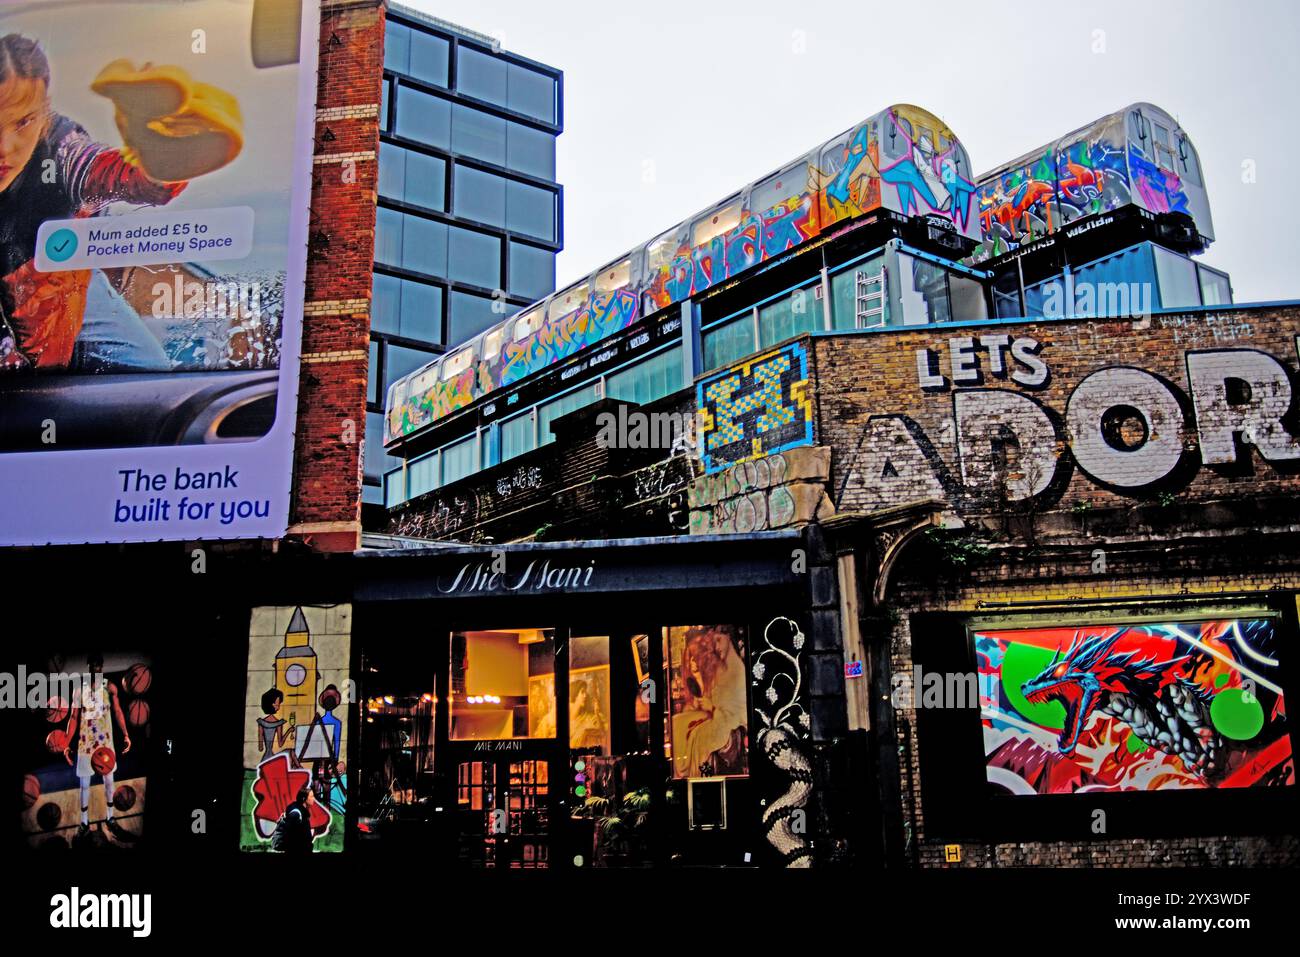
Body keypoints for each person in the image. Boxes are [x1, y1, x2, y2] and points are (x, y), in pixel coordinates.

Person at [0, 33, 241, 372]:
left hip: (61, 289)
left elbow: (118, 176)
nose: (4, 147)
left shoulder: (62, 149)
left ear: (44, 110)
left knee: (151, 374)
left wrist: (162, 160)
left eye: (23, 122)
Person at [63, 651, 131, 838]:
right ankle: (84, 823)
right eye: (92, 664)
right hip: (85, 746)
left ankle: (110, 819)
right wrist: (67, 742)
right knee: (84, 786)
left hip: (106, 746)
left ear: (102, 667)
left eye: (98, 664)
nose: (95, 667)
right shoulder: (79, 689)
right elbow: (74, 717)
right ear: (88, 667)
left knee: (109, 783)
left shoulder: (109, 687)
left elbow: (117, 712)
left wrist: (125, 734)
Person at [256, 688, 295, 762]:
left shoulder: (261, 722)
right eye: (278, 703)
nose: (279, 706)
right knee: (291, 752)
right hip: (272, 758)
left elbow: (260, 748)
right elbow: (280, 743)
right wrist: (289, 731)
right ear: (273, 704)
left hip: (265, 759)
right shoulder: (278, 723)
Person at [277, 785, 315, 854]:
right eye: (311, 796)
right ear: (304, 799)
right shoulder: (296, 814)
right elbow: (290, 836)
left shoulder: (301, 811)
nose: (314, 799)